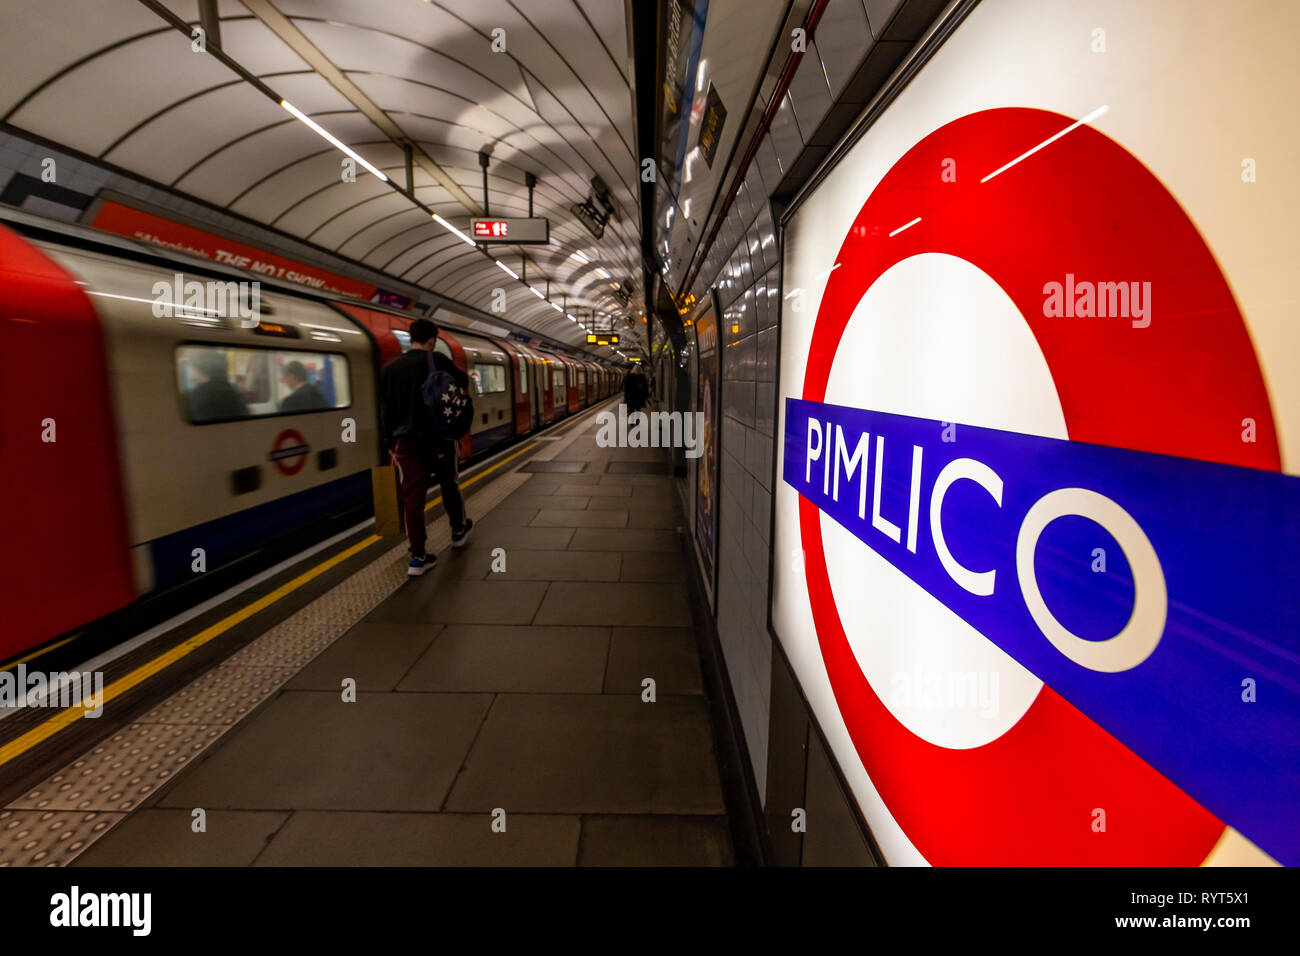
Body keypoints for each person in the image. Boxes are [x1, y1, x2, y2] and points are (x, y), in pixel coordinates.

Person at [378, 318, 473, 575]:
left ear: (411, 338)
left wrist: (389, 445)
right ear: (432, 340)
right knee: (448, 483)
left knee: (412, 497)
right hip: (439, 440)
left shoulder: (390, 369)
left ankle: (418, 557)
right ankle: (458, 529)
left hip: (405, 444)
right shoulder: (437, 360)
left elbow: (385, 411)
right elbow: (462, 380)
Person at [186, 350, 249, 422]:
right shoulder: (235, 391)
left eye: (193, 369)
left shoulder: (196, 395)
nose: (192, 375)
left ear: (199, 370)